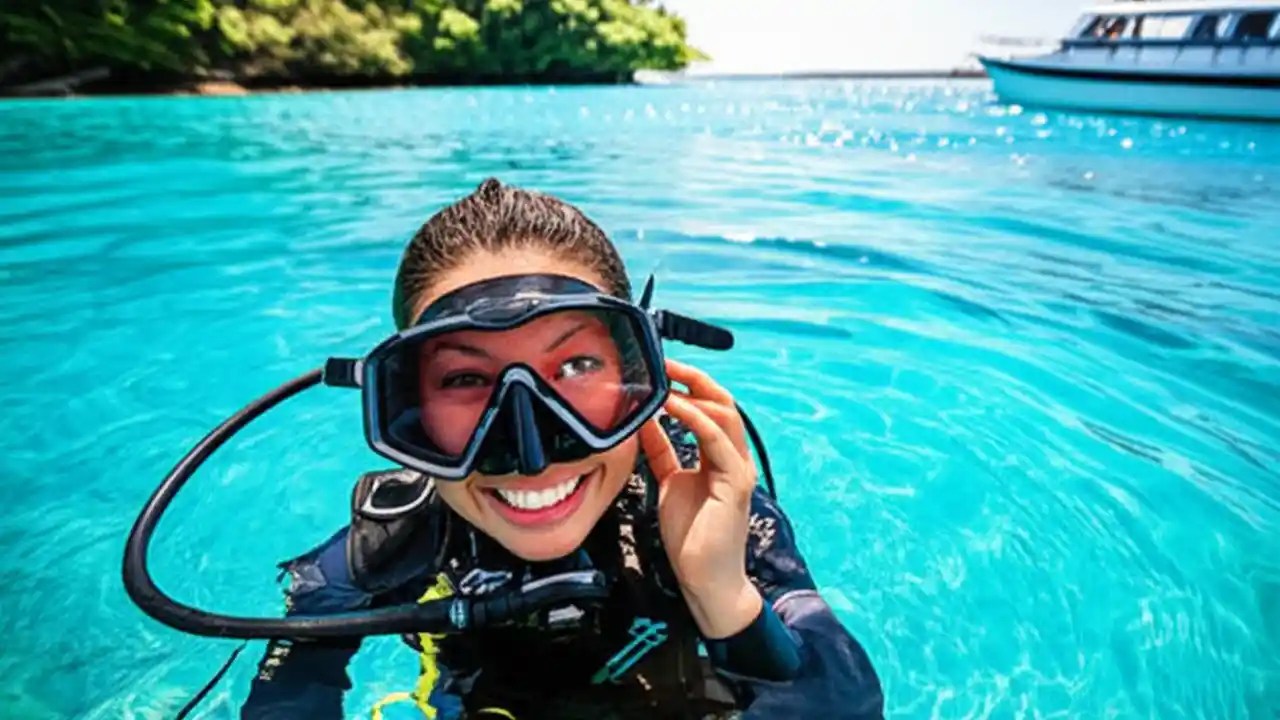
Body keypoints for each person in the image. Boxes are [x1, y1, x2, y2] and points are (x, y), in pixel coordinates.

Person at [239, 179, 884, 719]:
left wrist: (723, 592)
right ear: (410, 411)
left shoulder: (707, 502)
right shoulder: (392, 543)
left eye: (575, 365)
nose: (530, 451)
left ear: (641, 377)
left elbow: (848, 706)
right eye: (465, 380)